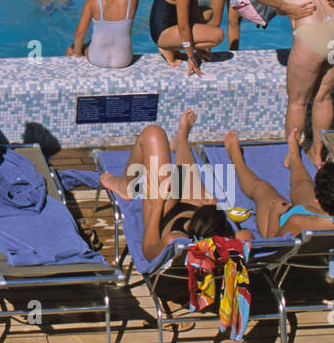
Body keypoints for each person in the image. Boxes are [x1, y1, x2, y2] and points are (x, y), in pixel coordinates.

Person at [239, 0, 334, 153]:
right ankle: (318, 154)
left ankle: (293, 156)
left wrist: (286, 7)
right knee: (323, 96)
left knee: (298, 102)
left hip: (313, 33)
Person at [97, 111, 252, 263]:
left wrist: (157, 204)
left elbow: (148, 251)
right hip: (204, 225)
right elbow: (245, 235)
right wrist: (212, 209)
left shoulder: (176, 240)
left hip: (164, 213)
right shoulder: (237, 239)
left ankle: (125, 185)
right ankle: (181, 140)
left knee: (153, 134)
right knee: (194, 187)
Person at [223, 128, 334, 238]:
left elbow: (273, 242)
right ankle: (294, 157)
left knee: (262, 188)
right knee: (303, 184)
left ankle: (236, 158)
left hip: (280, 227)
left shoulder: (298, 221)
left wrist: (275, 213)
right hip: (320, 218)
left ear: (317, 198)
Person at [67, 0, 137, 68]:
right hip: (124, 59)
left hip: (97, 59)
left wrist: (78, 53)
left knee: (71, 49)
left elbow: (80, 33)